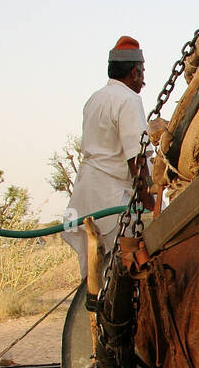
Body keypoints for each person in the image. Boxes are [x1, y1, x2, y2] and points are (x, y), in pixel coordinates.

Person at [63, 36, 156, 281]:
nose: (144, 80)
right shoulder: (128, 99)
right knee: (124, 278)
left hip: (85, 197)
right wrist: (151, 202)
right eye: (143, 73)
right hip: (113, 202)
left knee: (92, 279)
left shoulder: (94, 99)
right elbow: (136, 160)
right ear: (134, 72)